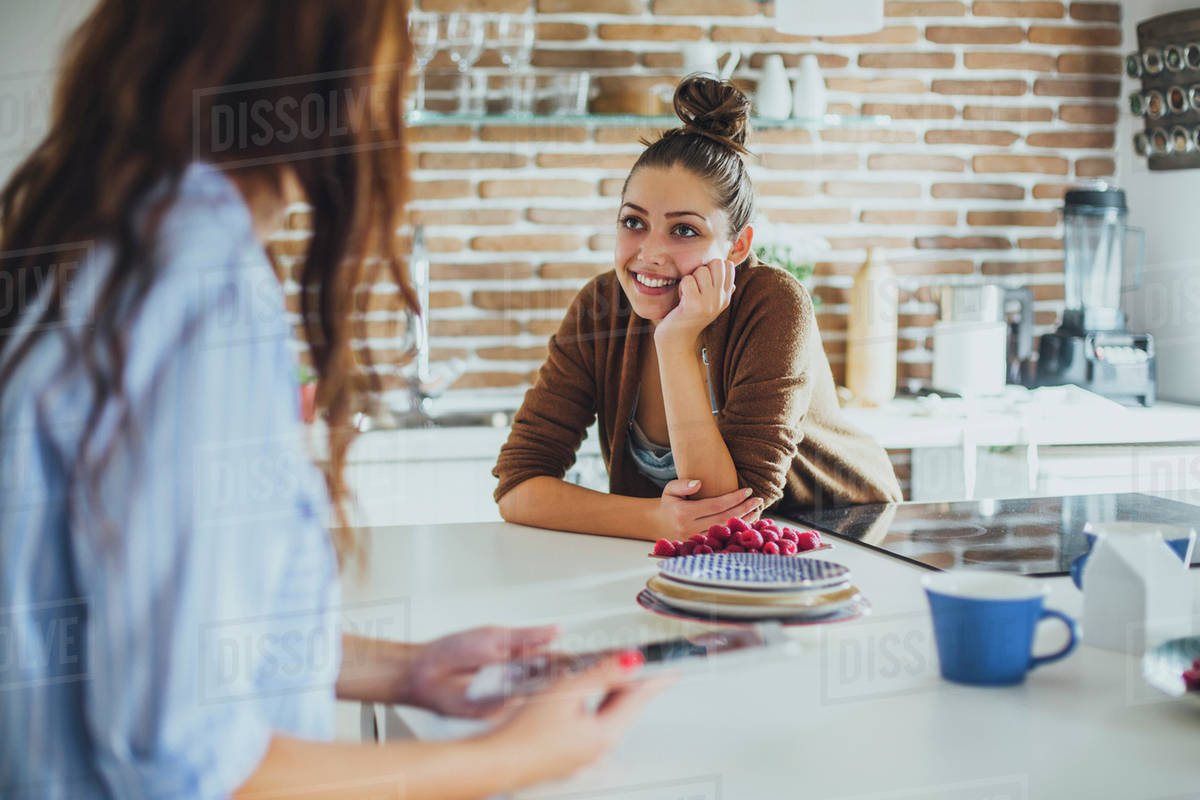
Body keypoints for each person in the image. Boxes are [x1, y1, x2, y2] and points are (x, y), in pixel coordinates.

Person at [0, 2, 658, 798]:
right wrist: (515, 758)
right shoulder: (202, 288)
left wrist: (407, 670)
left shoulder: (114, 234)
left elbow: (168, 639)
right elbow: (183, 767)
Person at [494, 75, 902, 542]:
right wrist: (652, 520)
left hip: (845, 536)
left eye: (684, 230)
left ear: (736, 246)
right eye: (634, 222)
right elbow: (519, 485)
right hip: (709, 556)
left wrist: (675, 341)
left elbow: (726, 512)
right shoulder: (601, 306)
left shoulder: (773, 304)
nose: (649, 252)